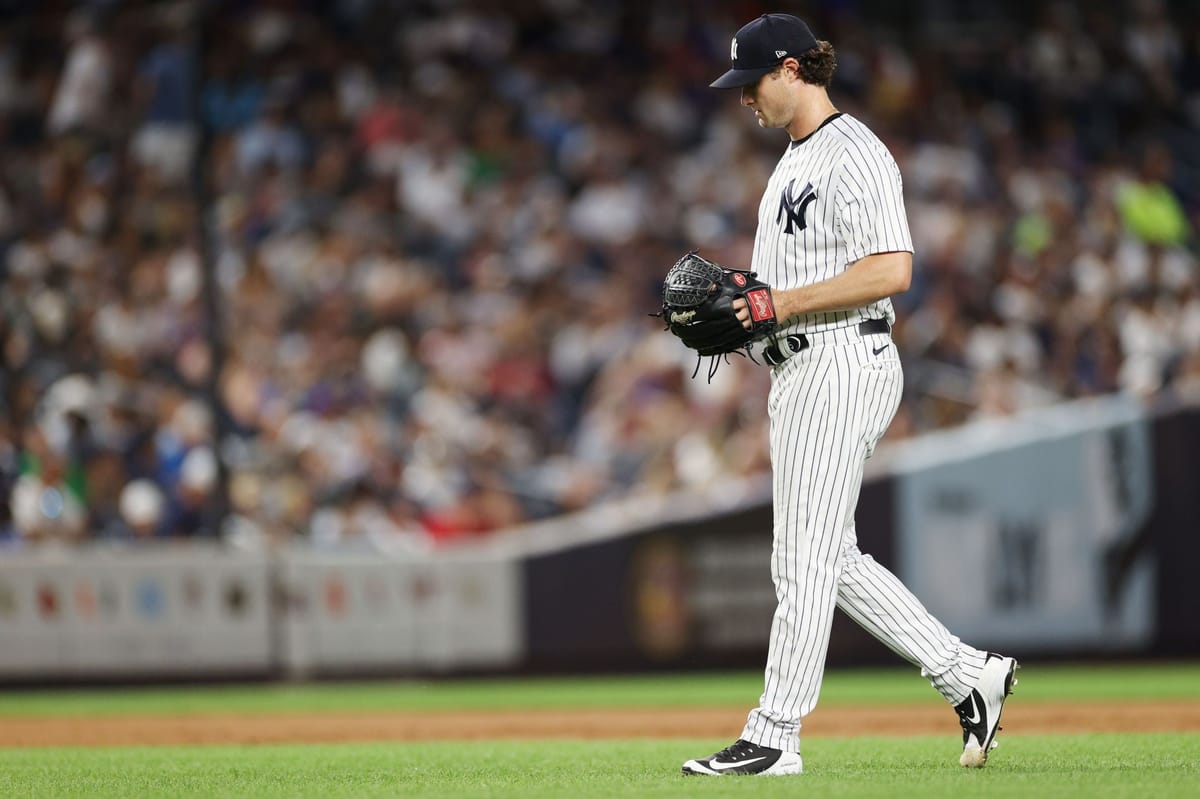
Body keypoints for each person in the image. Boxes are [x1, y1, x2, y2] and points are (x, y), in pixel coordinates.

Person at [680, 14, 1018, 777]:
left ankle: (775, 733)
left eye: (753, 82)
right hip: (803, 366)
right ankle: (968, 674)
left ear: (793, 69)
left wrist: (779, 305)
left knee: (800, 559)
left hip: (840, 357)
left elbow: (893, 268)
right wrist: (747, 317)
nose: (744, 98)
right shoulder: (792, 161)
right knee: (831, 556)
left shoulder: (854, 151)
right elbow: (778, 296)